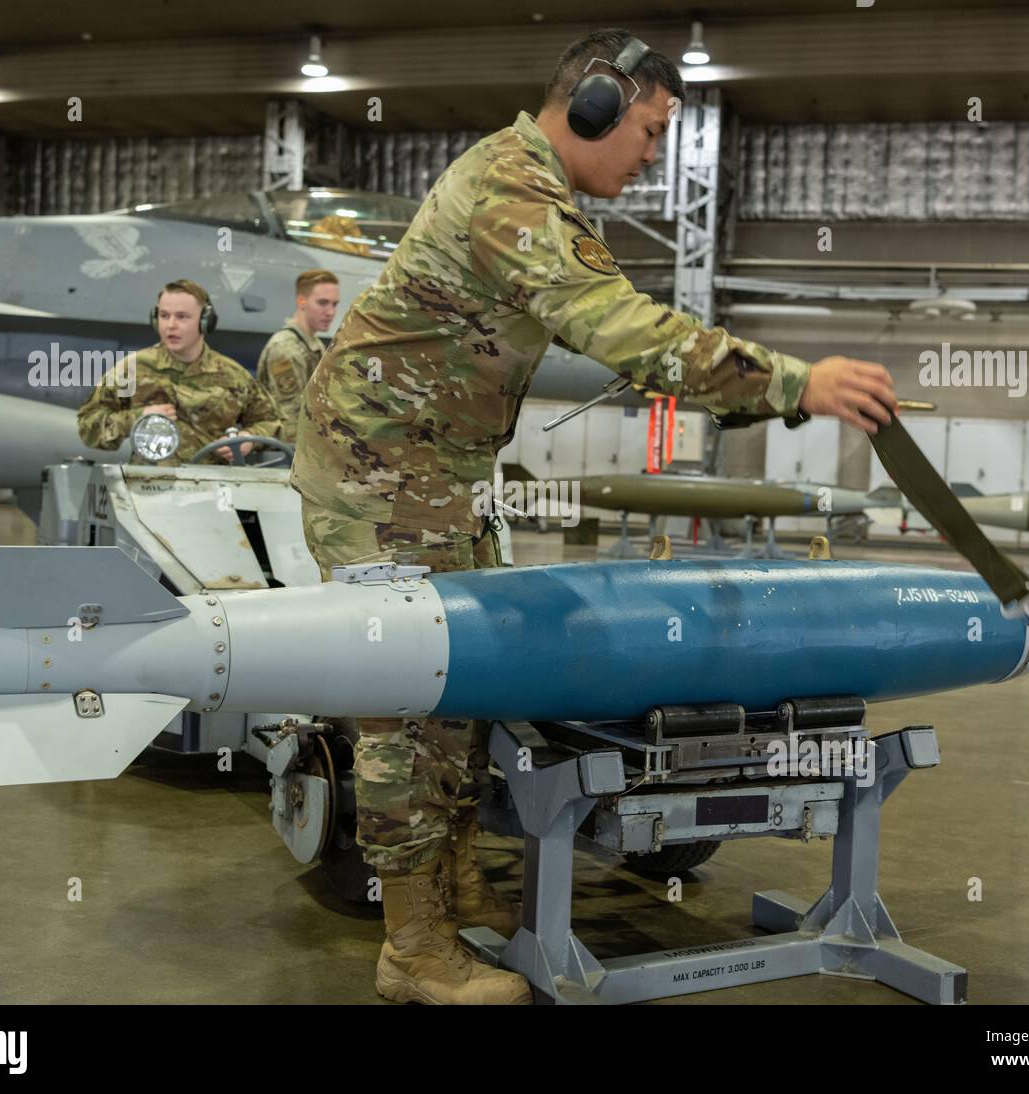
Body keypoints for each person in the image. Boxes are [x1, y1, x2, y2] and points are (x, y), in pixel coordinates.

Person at [292, 28, 899, 1005]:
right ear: (596, 107)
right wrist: (797, 382)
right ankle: (410, 945)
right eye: (651, 132)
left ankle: (450, 884)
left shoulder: (536, 189)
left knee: (465, 684)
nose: (653, 156)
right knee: (407, 705)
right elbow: (623, 331)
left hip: (431, 465)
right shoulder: (511, 190)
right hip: (377, 466)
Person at [77, 279, 281, 465]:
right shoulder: (132, 369)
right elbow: (88, 426)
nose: (171, 325)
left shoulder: (233, 376)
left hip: (212, 494)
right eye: (164, 316)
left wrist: (248, 439)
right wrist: (137, 419)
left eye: (182, 317)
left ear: (205, 321)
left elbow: (274, 423)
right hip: (148, 492)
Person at [255, 269, 339, 443]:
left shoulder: (313, 344)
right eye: (323, 303)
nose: (330, 312)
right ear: (302, 301)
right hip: (287, 451)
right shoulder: (286, 349)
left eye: (334, 304)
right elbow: (290, 418)